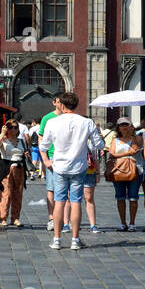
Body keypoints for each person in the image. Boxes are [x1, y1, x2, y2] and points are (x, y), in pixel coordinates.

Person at [40, 92, 104, 251]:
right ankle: (75, 239)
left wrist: (47, 161)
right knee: (76, 202)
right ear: (76, 105)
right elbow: (99, 145)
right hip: (79, 167)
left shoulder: (52, 122)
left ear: (61, 105)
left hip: (59, 167)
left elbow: (43, 146)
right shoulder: (86, 122)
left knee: (59, 202)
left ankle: (57, 239)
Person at [107, 119, 142, 230]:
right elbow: (112, 153)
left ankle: (132, 223)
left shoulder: (136, 138)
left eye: (126, 124)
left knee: (133, 197)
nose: (124, 127)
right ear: (118, 127)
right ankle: (123, 223)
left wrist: (119, 154)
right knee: (120, 197)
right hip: (118, 170)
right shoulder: (115, 140)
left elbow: (135, 150)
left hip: (133, 170)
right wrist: (127, 153)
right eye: (122, 125)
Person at [0, 119, 26, 227]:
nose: (13, 129)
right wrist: (2, 133)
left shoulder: (22, 140)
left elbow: (24, 152)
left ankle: (15, 218)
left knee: (18, 194)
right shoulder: (4, 140)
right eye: (10, 127)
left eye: (15, 127)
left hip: (19, 168)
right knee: (5, 194)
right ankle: (3, 218)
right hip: (6, 168)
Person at [38, 96, 63, 232]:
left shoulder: (68, 117)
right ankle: (52, 218)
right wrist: (45, 159)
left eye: (63, 102)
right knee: (51, 189)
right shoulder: (47, 118)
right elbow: (41, 138)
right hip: (52, 156)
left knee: (68, 191)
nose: (61, 104)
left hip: (65, 156)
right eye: (59, 101)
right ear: (54, 102)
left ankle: (65, 220)